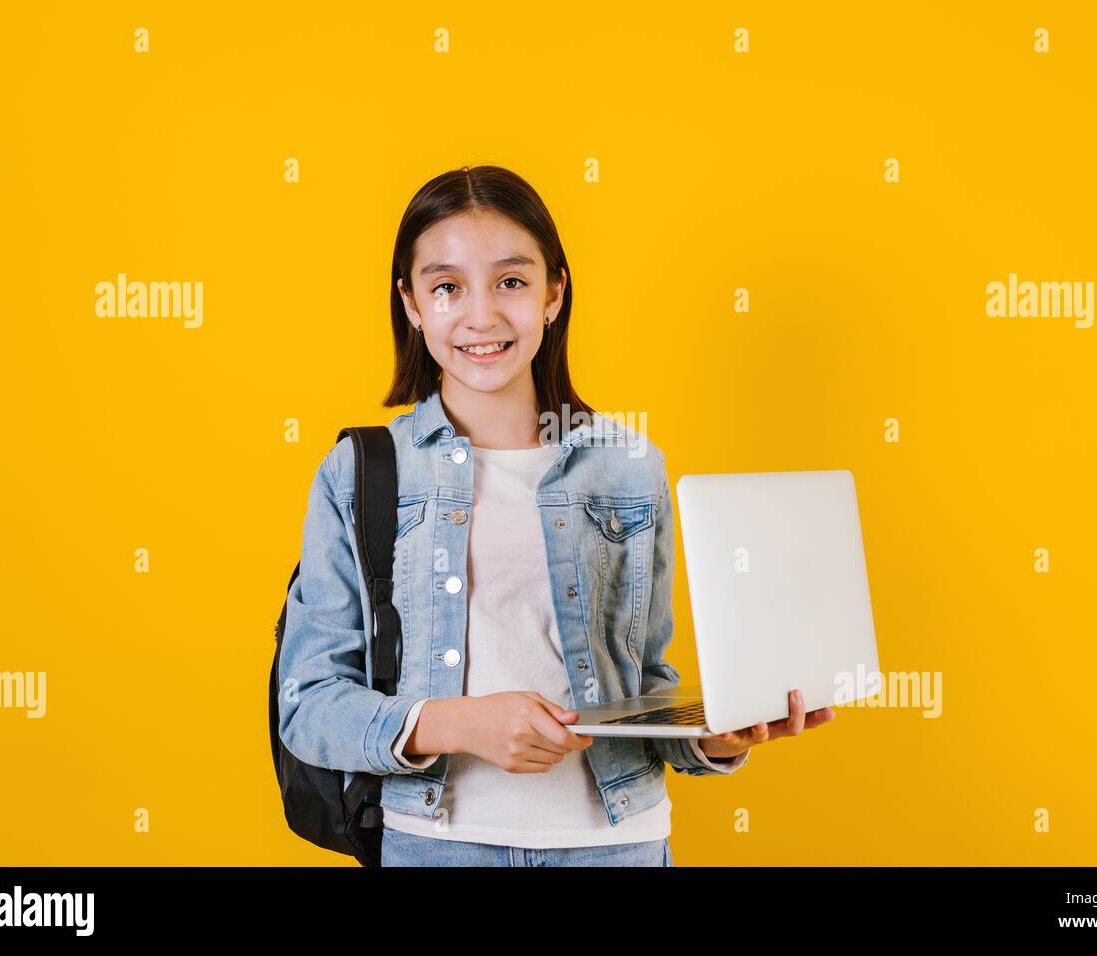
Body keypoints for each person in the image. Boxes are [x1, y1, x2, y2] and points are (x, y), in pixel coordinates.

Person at [277, 165, 835, 867]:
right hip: (436, 846)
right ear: (413, 304)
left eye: (511, 280)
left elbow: (641, 686)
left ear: (553, 293)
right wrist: (457, 723)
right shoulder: (361, 474)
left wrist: (712, 736)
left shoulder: (629, 466)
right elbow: (308, 703)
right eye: (447, 286)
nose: (481, 315)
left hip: (617, 846)